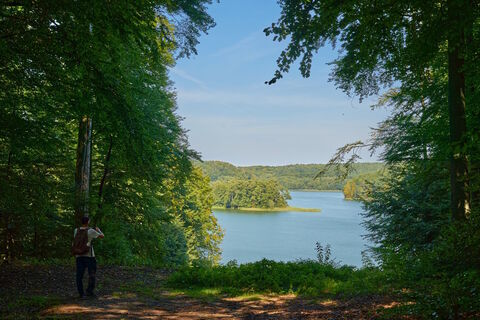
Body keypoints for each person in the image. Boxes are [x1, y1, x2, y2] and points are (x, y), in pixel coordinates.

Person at [74, 216, 104, 299]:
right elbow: (102, 236)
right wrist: (98, 230)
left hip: (79, 255)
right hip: (89, 256)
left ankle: (81, 294)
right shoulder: (90, 231)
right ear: (88, 222)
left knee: (79, 275)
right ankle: (89, 292)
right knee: (92, 274)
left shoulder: (76, 230)